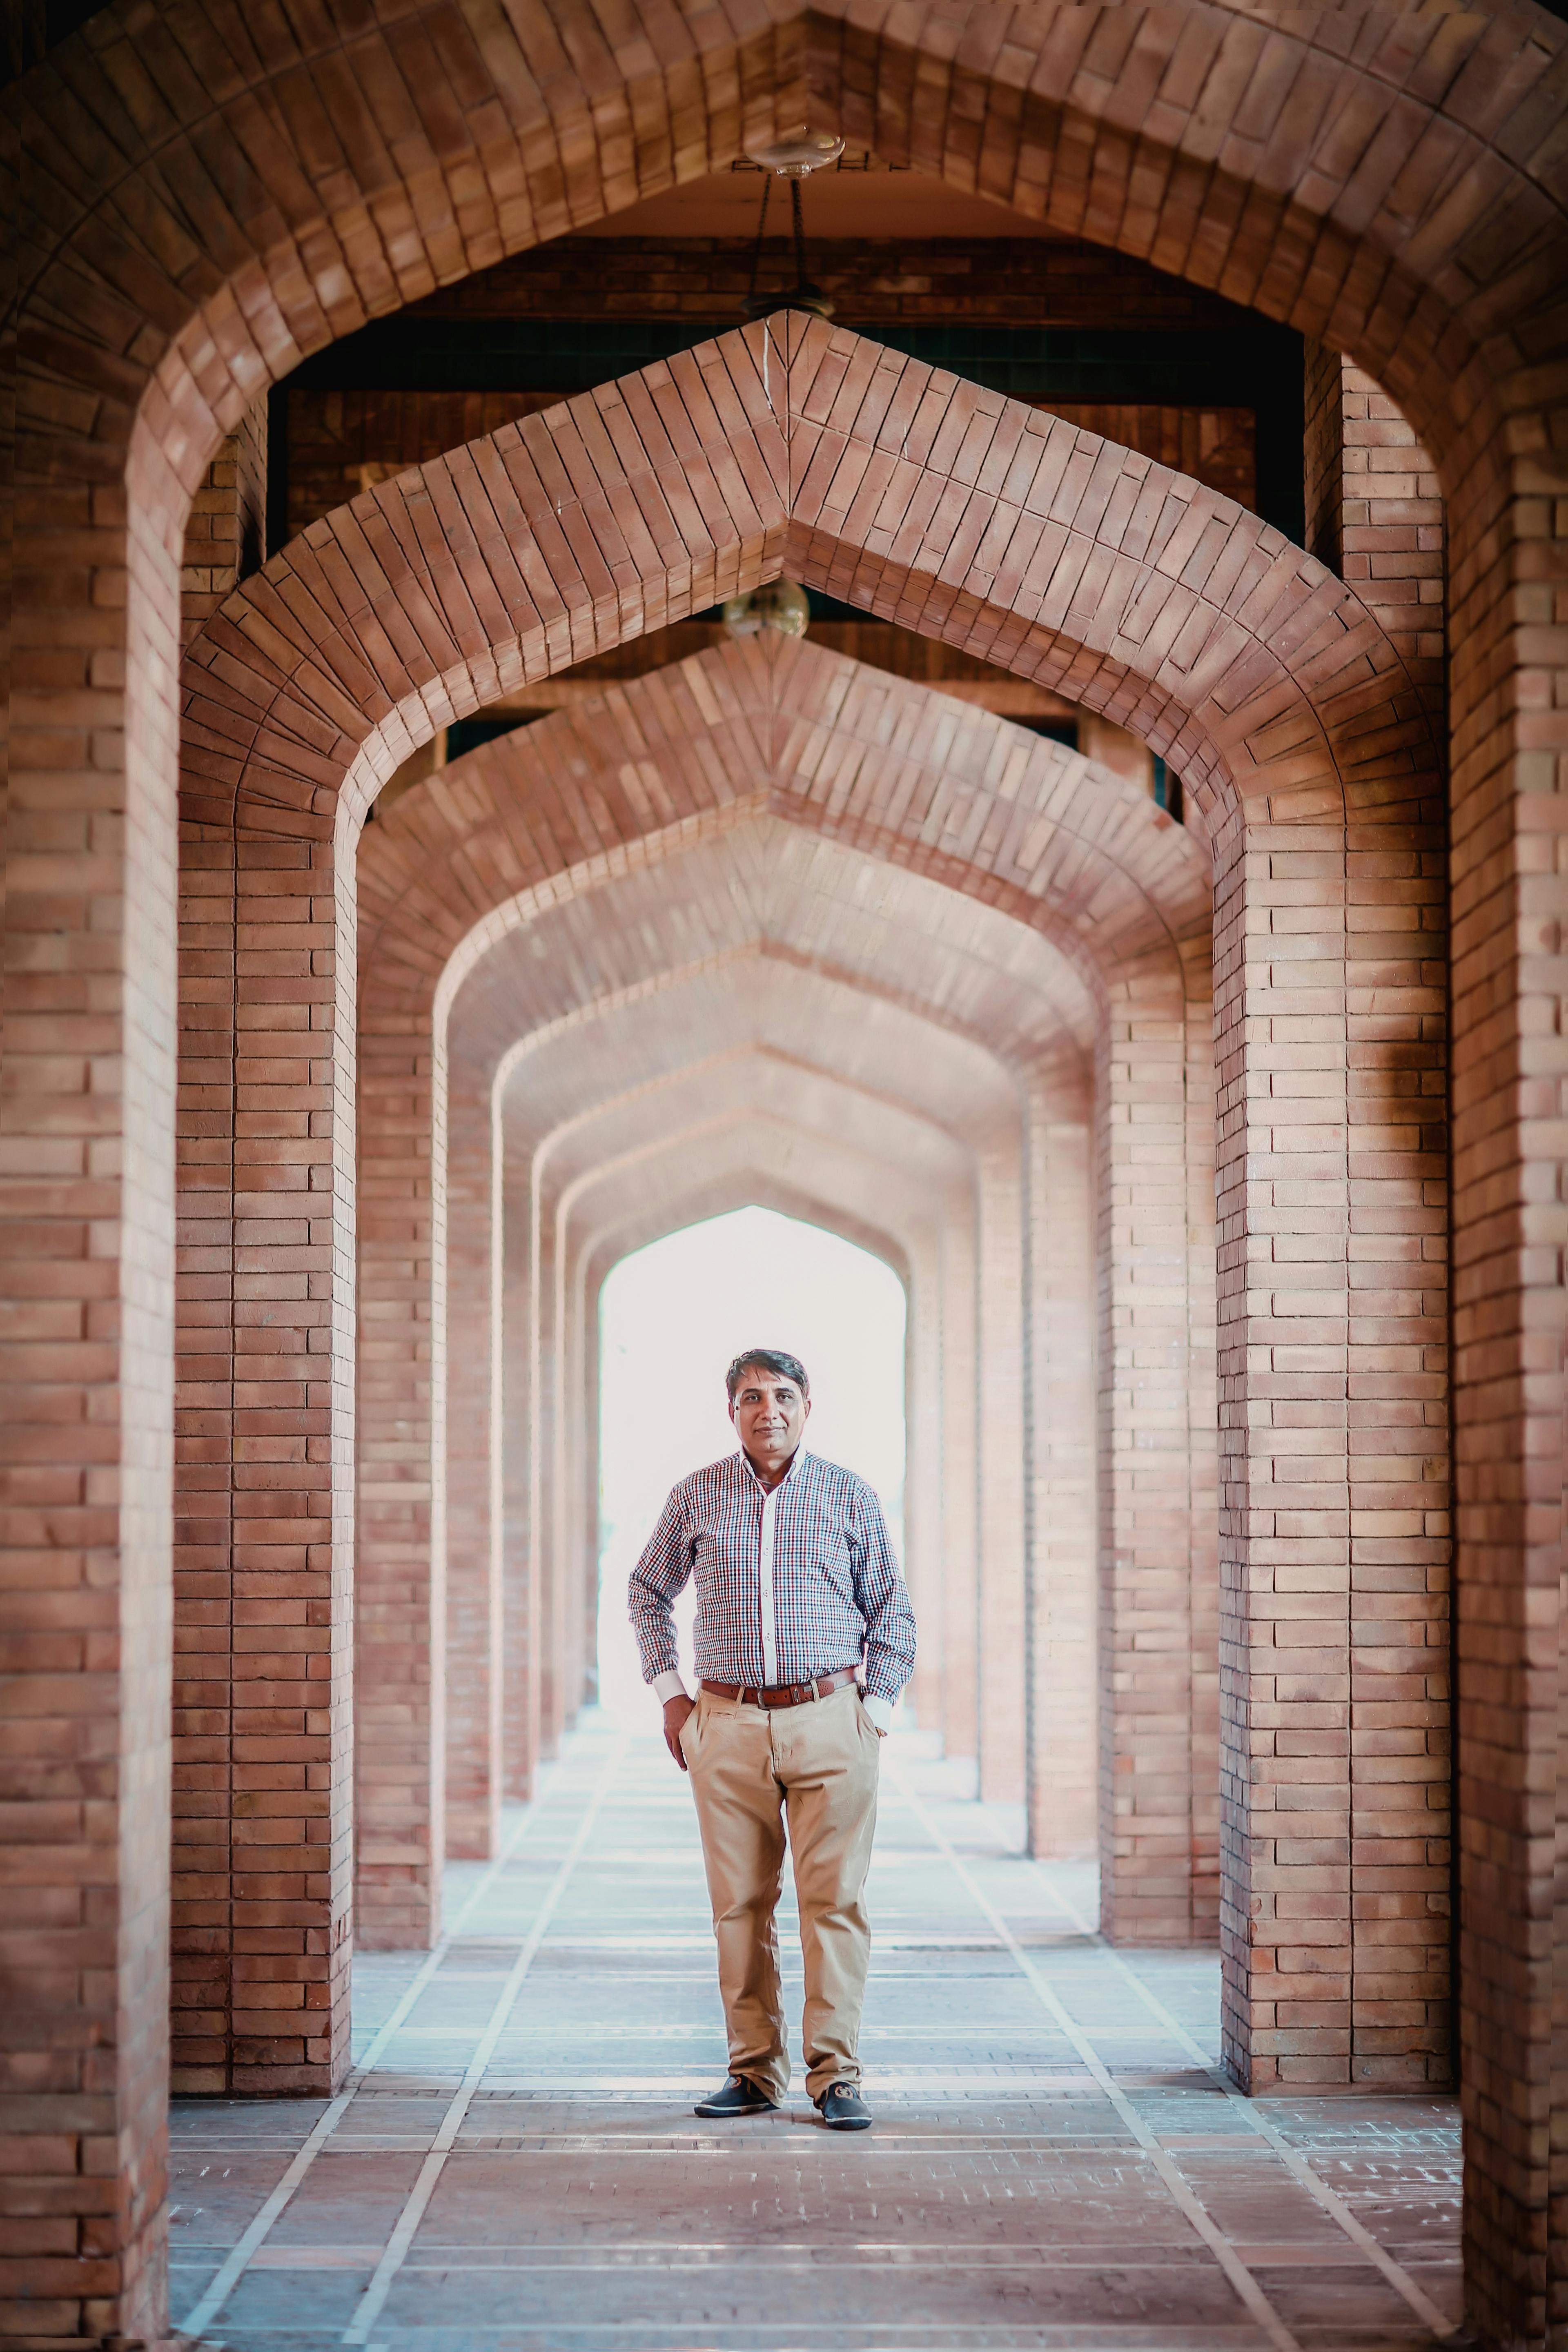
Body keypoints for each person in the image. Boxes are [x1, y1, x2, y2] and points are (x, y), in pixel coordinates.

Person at [628, 1348, 917, 2131]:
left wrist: (875, 1711)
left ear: (807, 1406)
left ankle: (837, 2077)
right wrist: (672, 1697)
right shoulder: (698, 1495)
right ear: (732, 1411)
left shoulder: (848, 1495)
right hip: (725, 1725)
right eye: (752, 1397)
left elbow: (892, 1608)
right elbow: (648, 1589)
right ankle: (752, 2073)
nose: (770, 1412)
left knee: (836, 1904)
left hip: (832, 1721)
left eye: (784, 1396)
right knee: (739, 1908)